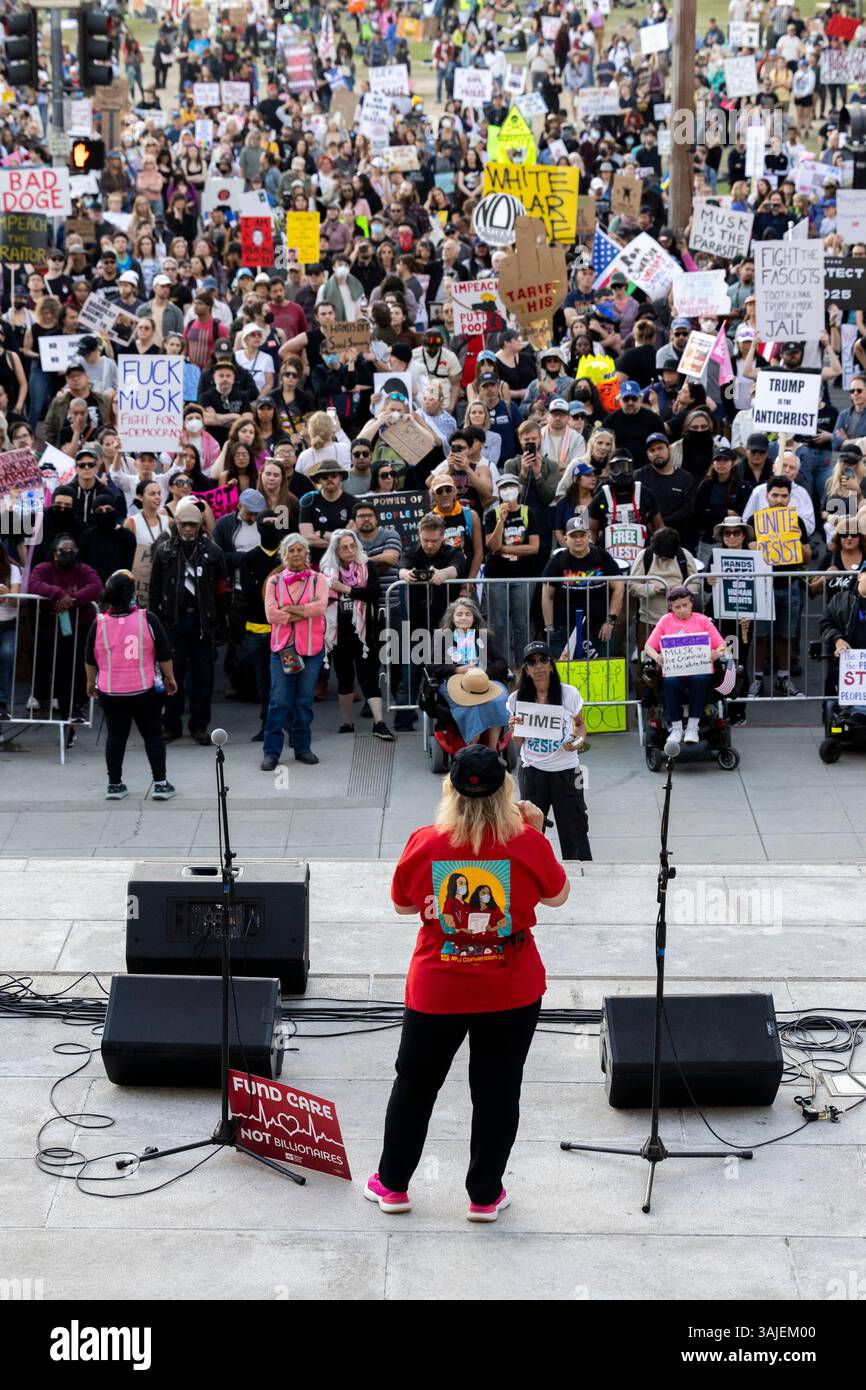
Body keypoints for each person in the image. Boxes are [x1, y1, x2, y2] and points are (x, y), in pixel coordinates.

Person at [367, 743, 569, 1219]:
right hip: (510, 988)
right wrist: (535, 833)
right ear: (507, 790)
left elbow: (400, 905)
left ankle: (393, 1185)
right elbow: (557, 897)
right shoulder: (526, 841)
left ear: (449, 789)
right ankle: (484, 1194)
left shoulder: (426, 840)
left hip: (439, 987)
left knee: (415, 1085)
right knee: (498, 1089)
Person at [84, 569, 177, 800]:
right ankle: (160, 783)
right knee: (153, 735)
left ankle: (114, 784)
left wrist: (90, 682)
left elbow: (89, 658)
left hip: (111, 690)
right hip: (143, 688)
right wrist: (170, 678)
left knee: (115, 737)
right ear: (132, 594)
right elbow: (164, 653)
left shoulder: (100, 622)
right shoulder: (147, 618)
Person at [148, 498, 230, 744]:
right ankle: (171, 725)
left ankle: (199, 725)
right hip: (172, 623)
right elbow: (153, 589)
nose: (188, 529)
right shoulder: (164, 551)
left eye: (193, 525)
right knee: (173, 677)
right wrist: (155, 623)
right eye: (184, 525)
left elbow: (223, 589)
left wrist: (221, 622)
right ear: (177, 524)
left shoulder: (213, 551)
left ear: (200, 526)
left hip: (203, 624)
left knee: (204, 678)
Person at [506, 641, 592, 861]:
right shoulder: (516, 699)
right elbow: (519, 742)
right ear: (526, 669)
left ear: (552, 665)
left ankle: (584, 878)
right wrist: (515, 729)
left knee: (574, 828)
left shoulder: (568, 694)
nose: (539, 666)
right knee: (531, 832)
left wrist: (577, 742)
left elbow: (581, 726)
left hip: (567, 770)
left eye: (543, 660)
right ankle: (533, 876)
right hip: (533, 770)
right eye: (532, 662)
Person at [260, 533, 331, 770]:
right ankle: (271, 752)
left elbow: (320, 607)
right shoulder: (274, 581)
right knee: (279, 701)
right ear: (285, 554)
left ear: (307, 554)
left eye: (300, 550)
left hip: (311, 649)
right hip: (283, 649)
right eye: (291, 550)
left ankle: (302, 747)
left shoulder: (318, 579)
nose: (296, 554)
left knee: (303, 701)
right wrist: (302, 611)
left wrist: (288, 609)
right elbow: (272, 615)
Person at [320, 529, 394, 741]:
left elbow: (373, 593)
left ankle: (379, 723)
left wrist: (346, 589)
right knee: (344, 678)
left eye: (352, 546)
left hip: (365, 632)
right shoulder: (326, 571)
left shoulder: (367, 566)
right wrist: (337, 591)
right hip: (338, 632)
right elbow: (323, 597)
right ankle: (346, 723)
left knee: (369, 676)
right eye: (344, 547)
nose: (350, 550)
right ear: (336, 550)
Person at [29, 535, 103, 721]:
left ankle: (77, 706)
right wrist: (59, 594)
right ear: (54, 553)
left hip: (80, 627)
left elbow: (96, 586)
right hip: (51, 630)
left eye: (71, 551)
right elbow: (34, 583)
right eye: (62, 551)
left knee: (79, 668)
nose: (67, 554)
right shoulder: (44, 568)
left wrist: (72, 600)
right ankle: (64, 709)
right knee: (58, 670)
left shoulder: (83, 569)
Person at [644, 586, 729, 744]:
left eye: (685, 605)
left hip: (699, 670)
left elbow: (723, 644)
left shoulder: (703, 620)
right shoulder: (666, 620)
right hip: (675, 671)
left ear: (691, 604)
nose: (682, 610)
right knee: (670, 682)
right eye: (677, 607)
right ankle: (676, 727)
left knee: (700, 679)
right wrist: (657, 657)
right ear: (671, 608)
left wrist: (717, 653)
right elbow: (648, 646)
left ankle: (692, 727)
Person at [542, 514, 624, 659]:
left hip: (599, 627)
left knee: (602, 670)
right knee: (562, 672)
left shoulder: (602, 556)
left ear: (589, 536)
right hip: (565, 627)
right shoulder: (558, 560)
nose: (578, 540)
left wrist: (610, 621)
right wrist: (550, 628)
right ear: (566, 539)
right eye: (574, 536)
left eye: (582, 535)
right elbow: (547, 596)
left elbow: (618, 588)